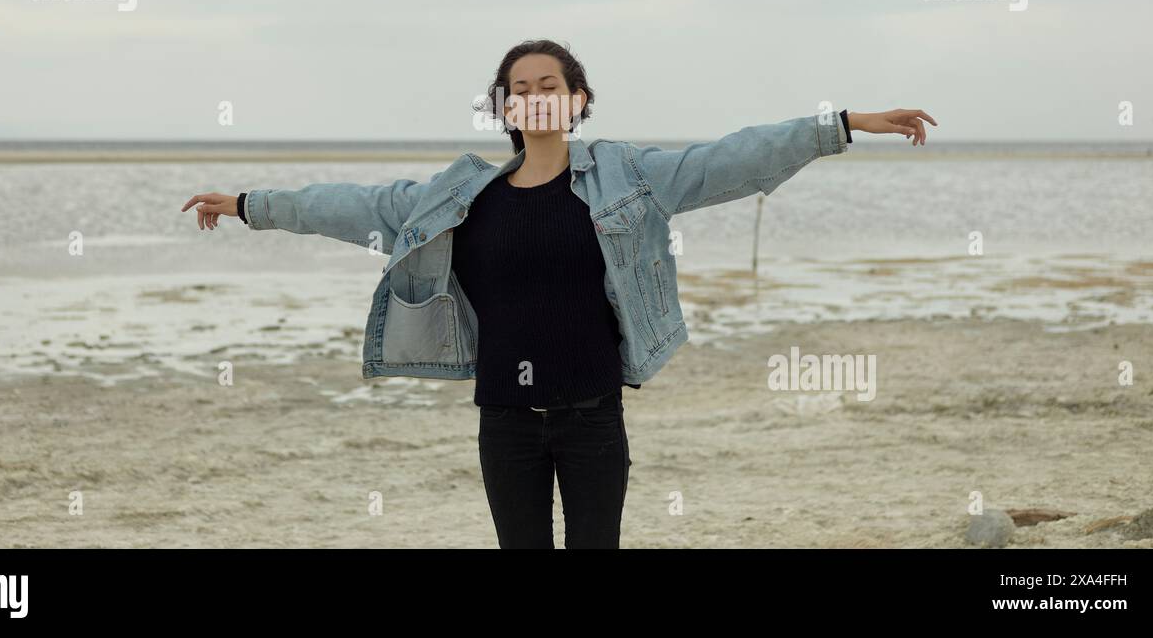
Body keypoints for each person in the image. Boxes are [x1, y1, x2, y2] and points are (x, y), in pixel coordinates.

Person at [182, 38, 937, 548]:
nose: (536, 97)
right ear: (505, 109)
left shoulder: (627, 177)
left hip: (592, 416)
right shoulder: (462, 195)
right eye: (521, 89)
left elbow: (728, 159)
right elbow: (356, 207)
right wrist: (251, 205)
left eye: (551, 86)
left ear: (578, 100)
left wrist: (837, 125)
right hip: (505, 421)